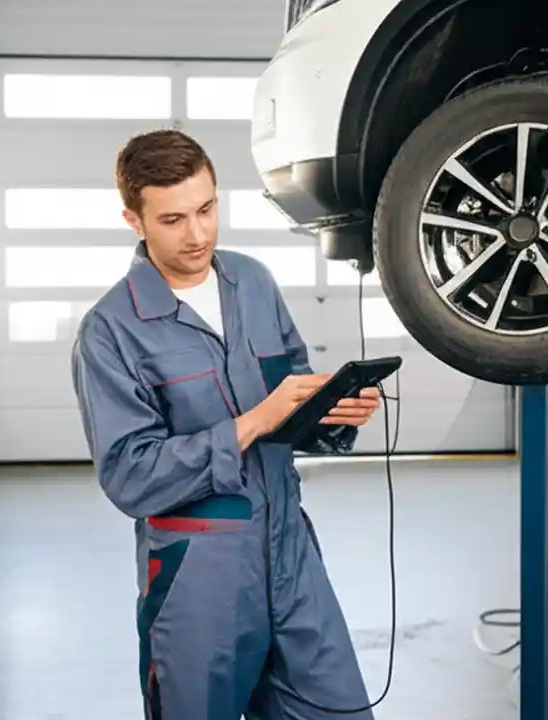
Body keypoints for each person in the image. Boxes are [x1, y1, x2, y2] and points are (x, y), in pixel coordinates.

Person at [71, 129, 382, 720]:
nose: (198, 234)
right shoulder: (111, 331)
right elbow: (130, 477)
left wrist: (333, 414)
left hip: (291, 558)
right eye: (173, 219)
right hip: (198, 579)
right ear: (134, 220)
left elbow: (294, 400)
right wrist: (251, 423)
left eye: (208, 209)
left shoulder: (253, 283)